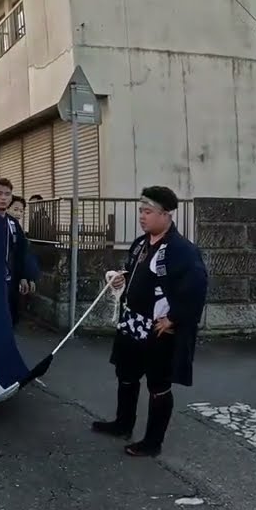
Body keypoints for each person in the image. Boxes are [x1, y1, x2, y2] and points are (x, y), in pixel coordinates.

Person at [92, 186, 208, 457]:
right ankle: (123, 423)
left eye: (148, 212)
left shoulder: (182, 250)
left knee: (158, 385)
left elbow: (197, 287)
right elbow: (133, 272)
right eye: (141, 211)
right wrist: (121, 278)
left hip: (158, 328)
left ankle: (152, 442)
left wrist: (174, 318)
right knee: (126, 375)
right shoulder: (141, 244)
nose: (142, 217)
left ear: (166, 214)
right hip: (132, 321)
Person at [0, 178, 37, 325]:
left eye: (7, 194)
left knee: (9, 316)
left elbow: (22, 252)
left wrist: (25, 276)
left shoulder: (14, 225)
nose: (3, 197)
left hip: (10, 278)